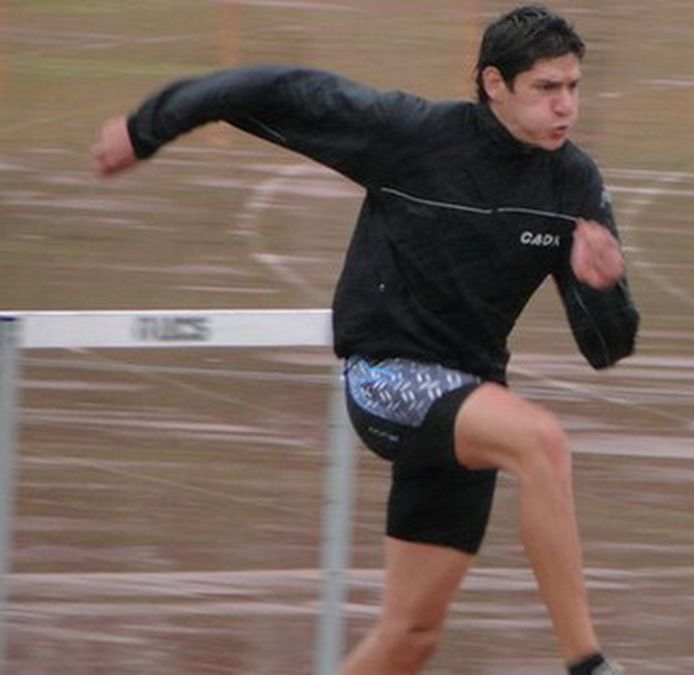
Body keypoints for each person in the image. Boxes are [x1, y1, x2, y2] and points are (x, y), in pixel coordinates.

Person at [91, 5, 637, 674]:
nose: (566, 107)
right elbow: (274, 88)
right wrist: (147, 129)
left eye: (574, 87)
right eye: (547, 89)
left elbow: (607, 348)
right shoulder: (411, 135)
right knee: (541, 440)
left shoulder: (574, 182)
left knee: (409, 636)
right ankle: (588, 663)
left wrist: (603, 285)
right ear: (495, 83)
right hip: (385, 378)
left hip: (470, 406)